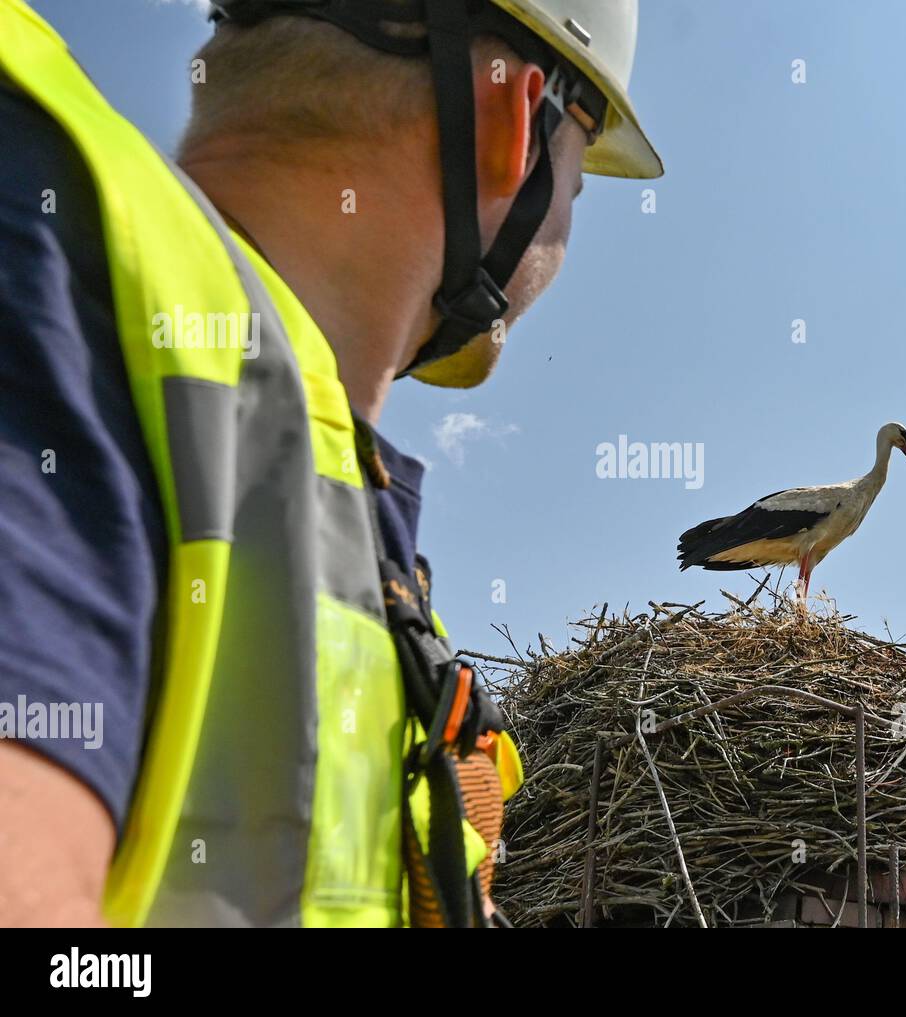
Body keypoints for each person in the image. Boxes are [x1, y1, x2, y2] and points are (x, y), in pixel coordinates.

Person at [0, 0, 662, 927]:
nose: (566, 233)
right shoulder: (45, 266)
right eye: (578, 182)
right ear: (515, 122)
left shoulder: (312, 480)